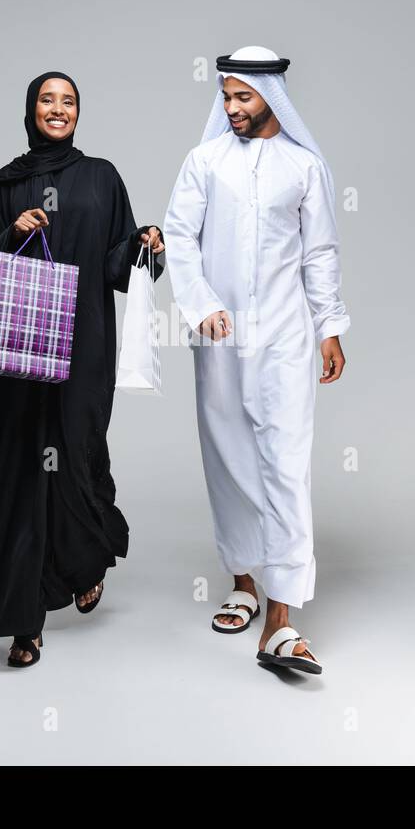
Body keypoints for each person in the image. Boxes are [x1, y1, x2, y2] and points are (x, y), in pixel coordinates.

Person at [162, 46, 348, 675]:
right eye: (226, 96)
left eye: (243, 96)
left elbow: (319, 252)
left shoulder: (304, 168)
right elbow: (179, 236)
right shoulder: (203, 161)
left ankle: (281, 620)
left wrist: (330, 327)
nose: (232, 107)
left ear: (272, 94)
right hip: (218, 334)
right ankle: (242, 582)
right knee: (228, 453)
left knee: (286, 462)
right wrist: (200, 305)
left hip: (287, 335)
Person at [0, 71, 164, 668]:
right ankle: (24, 624)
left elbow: (117, 265)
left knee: (77, 460)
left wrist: (145, 245)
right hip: (24, 354)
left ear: (79, 112)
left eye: (69, 101)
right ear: (30, 111)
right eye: (47, 100)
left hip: (84, 351)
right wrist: (13, 230)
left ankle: (84, 561)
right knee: (20, 475)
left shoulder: (102, 177)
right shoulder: (6, 183)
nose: (58, 109)